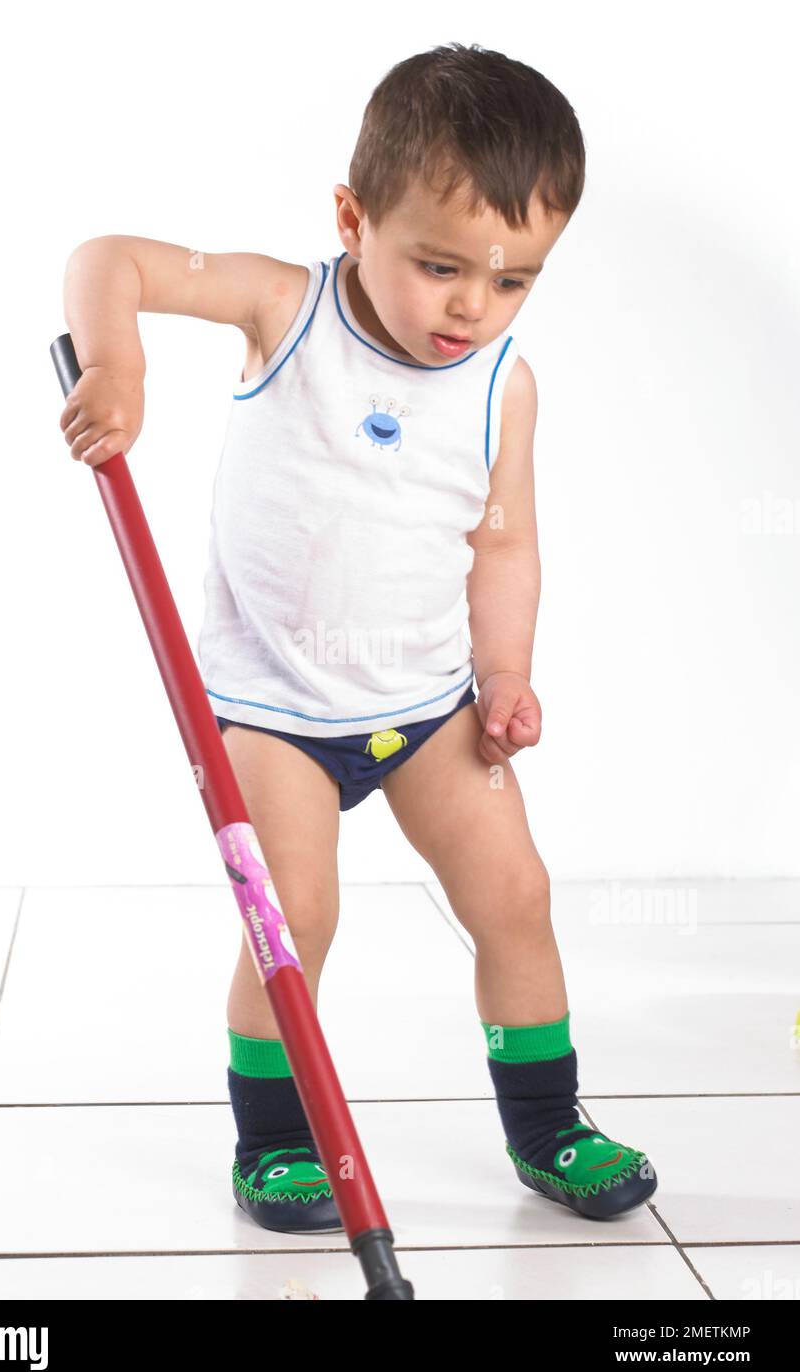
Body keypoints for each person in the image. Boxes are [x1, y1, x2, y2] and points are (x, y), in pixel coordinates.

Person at [59, 41, 658, 1235]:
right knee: (296, 918)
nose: (471, 308)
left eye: (512, 280)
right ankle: (276, 1143)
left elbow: (500, 543)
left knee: (515, 895)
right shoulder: (284, 306)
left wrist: (506, 674)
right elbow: (106, 260)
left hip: (429, 704)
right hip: (273, 707)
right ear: (352, 216)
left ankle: (549, 1124)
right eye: (439, 267)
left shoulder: (505, 384)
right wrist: (119, 366)